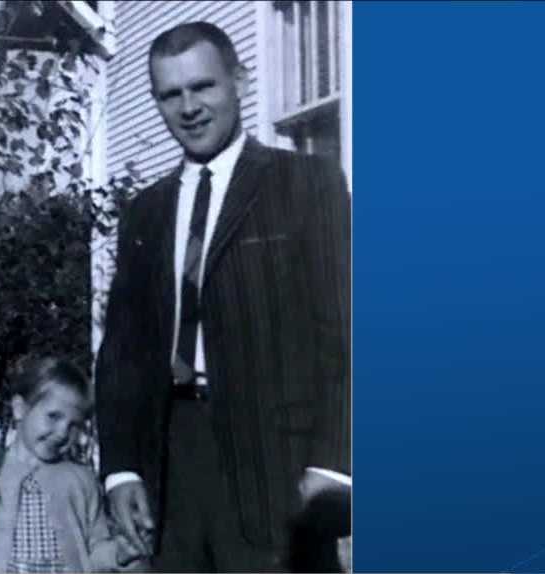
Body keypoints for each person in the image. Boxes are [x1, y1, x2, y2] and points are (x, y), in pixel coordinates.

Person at [94, 21, 351, 572]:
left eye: (203, 86)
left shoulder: (306, 185)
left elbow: (345, 331)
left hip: (276, 459)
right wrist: (122, 469)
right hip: (172, 457)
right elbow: (122, 352)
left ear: (239, 80)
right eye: (171, 94)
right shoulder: (146, 213)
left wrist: (333, 465)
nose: (189, 107)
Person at [0, 357, 143, 573]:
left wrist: (118, 554)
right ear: (20, 409)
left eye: (74, 424)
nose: (63, 432)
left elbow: (93, 552)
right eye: (53, 416)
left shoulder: (81, 480)